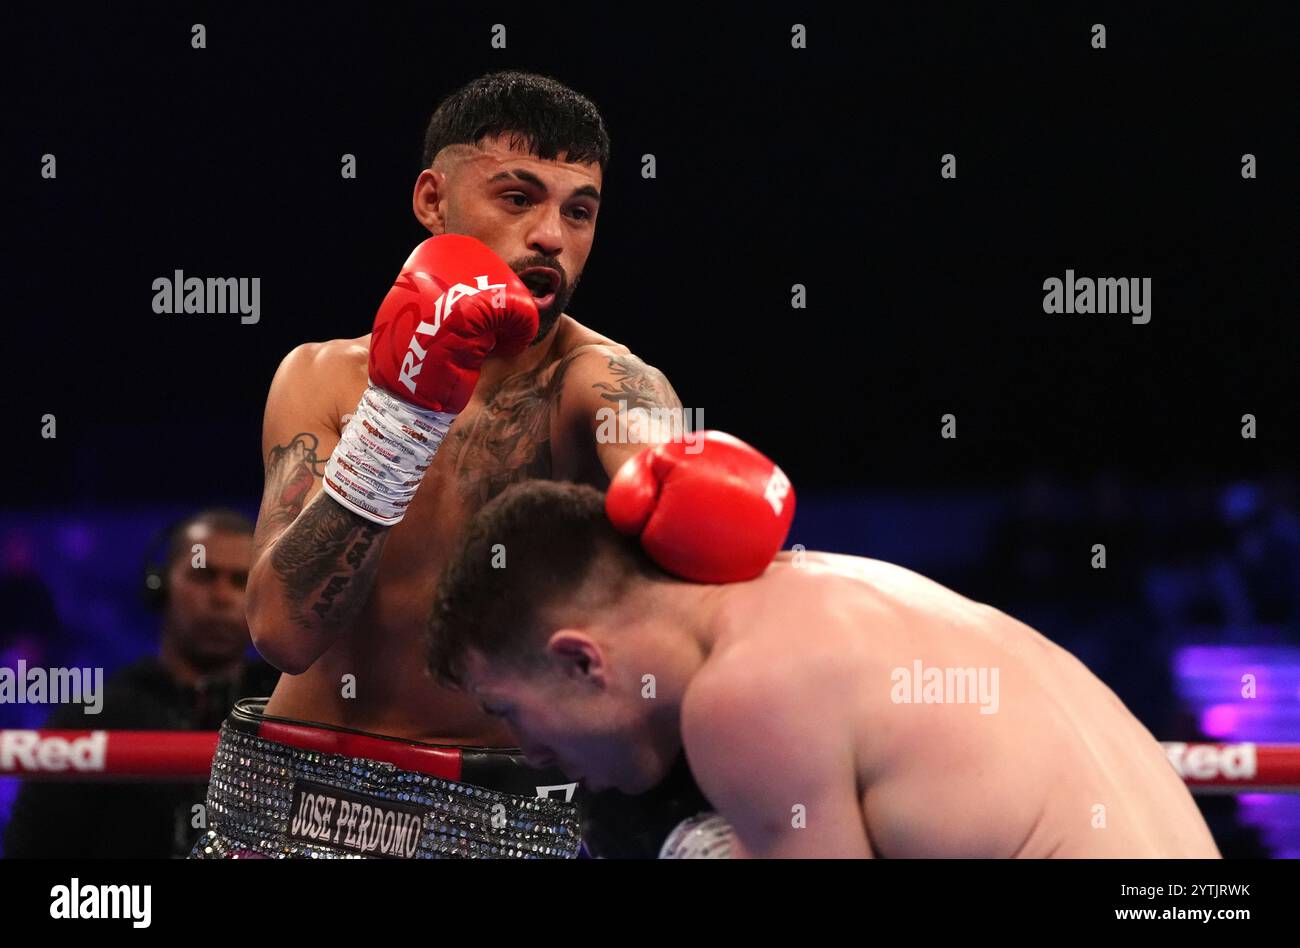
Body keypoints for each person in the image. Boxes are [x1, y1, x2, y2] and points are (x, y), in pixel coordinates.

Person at [200, 71, 732, 859]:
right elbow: (284, 632)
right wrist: (402, 418)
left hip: (500, 814)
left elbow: (694, 519)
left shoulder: (601, 384)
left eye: (578, 211)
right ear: (431, 200)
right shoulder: (321, 378)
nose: (552, 235)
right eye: (518, 198)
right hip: (292, 791)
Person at [427, 442, 1221, 858]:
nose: (528, 752)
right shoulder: (825, 585)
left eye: (508, 711)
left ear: (581, 660)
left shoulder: (744, 693)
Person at [5, 509, 276, 858]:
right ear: (160, 585)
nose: (221, 596)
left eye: (240, 581)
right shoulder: (96, 715)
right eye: (203, 576)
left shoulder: (285, 713)